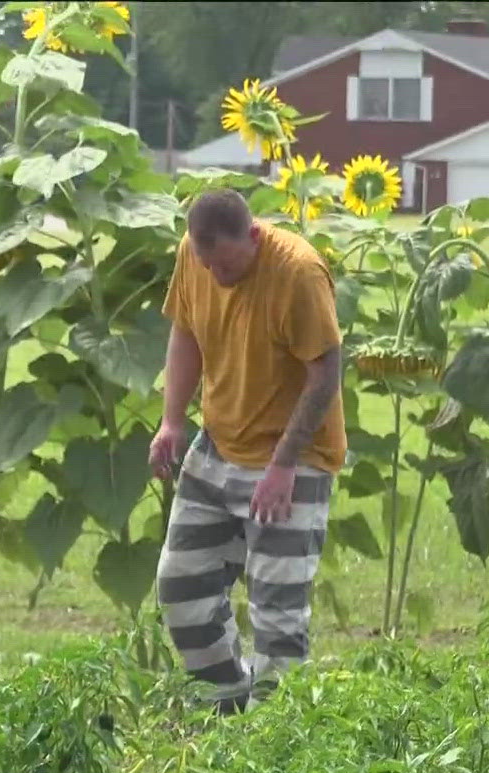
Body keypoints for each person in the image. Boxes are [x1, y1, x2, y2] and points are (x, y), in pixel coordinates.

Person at [149, 188, 345, 714]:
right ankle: (226, 708)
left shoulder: (298, 272)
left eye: (228, 264)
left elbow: (326, 372)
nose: (217, 276)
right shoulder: (194, 254)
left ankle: (275, 737)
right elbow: (185, 332)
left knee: (277, 619)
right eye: (207, 264)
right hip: (217, 445)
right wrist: (172, 421)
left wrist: (283, 465)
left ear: (254, 235)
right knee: (181, 590)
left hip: (293, 459)